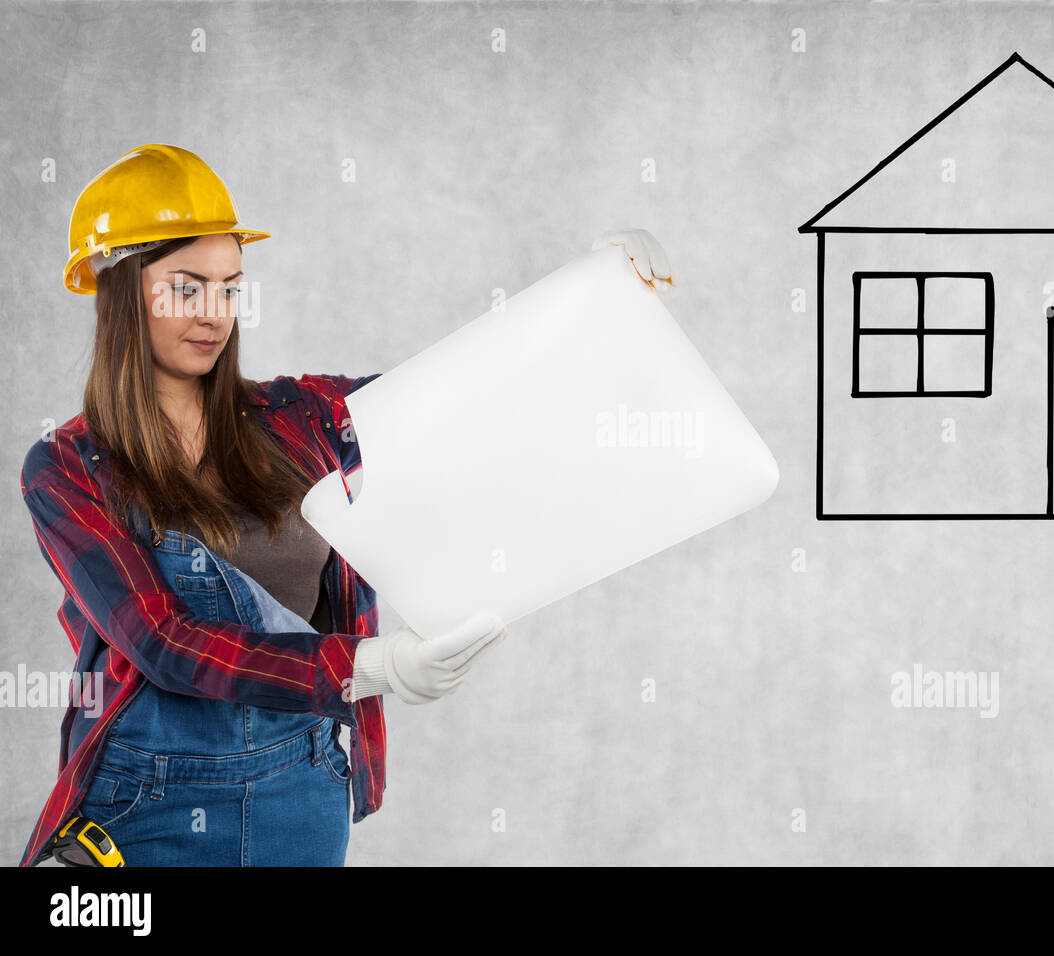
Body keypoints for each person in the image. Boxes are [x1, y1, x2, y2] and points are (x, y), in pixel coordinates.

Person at [18, 143, 672, 867]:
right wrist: (370, 665)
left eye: (231, 286)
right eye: (187, 286)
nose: (215, 313)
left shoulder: (301, 419)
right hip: (145, 806)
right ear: (120, 288)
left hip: (302, 792)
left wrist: (593, 301)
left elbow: (463, 392)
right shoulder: (68, 467)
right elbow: (166, 643)